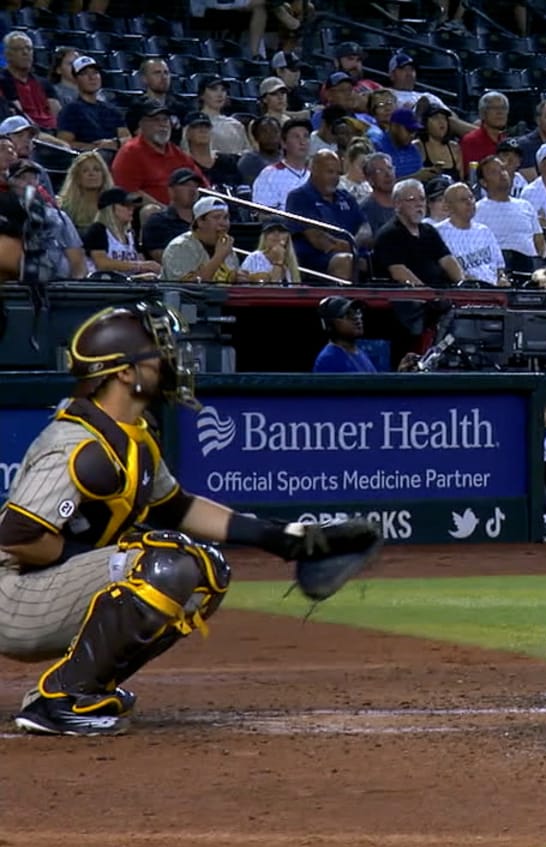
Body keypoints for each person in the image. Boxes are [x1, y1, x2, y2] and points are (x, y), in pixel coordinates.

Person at [0, 302, 378, 735]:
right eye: (157, 352)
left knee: (205, 573)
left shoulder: (131, 435)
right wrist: (103, 562)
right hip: (12, 596)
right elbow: (18, 535)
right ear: (123, 372)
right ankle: (57, 700)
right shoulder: (79, 443)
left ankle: (85, 685)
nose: (169, 361)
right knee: (161, 564)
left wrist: (284, 538)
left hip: (41, 587)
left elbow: (177, 508)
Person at [284, 149, 361, 281]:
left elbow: (365, 228)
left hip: (352, 250)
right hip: (314, 259)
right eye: (330, 172)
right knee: (345, 260)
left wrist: (355, 243)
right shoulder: (299, 197)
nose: (335, 178)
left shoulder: (347, 197)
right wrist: (343, 247)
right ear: (314, 170)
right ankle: (340, 301)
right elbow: (316, 238)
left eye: (338, 173)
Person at [372, 178, 464, 286]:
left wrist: (462, 284)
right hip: (412, 297)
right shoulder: (388, 235)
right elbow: (399, 273)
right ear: (397, 204)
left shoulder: (429, 231)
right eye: (412, 200)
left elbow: (447, 260)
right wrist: (429, 295)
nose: (419, 204)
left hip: (442, 291)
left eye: (422, 199)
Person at [161, 197, 244, 282]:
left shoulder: (226, 249)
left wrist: (240, 279)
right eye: (216, 217)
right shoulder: (179, 248)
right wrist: (219, 257)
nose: (223, 223)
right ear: (200, 222)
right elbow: (189, 289)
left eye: (226, 218)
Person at [82, 187, 159, 278]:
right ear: (110, 208)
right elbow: (102, 263)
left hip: (129, 286)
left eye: (131, 205)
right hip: (103, 286)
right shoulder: (98, 230)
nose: (131, 209)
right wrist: (139, 266)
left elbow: (141, 261)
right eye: (125, 205)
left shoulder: (130, 234)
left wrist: (149, 268)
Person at [312, 295, 379, 372]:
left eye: (357, 312)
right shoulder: (329, 359)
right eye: (347, 315)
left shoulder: (359, 352)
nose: (356, 318)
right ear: (330, 324)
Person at [240, 218, 301, 284]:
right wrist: (278, 261)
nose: (276, 234)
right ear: (265, 237)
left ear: (287, 236)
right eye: (271, 231)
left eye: (281, 231)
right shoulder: (254, 257)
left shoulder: (290, 260)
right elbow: (272, 288)